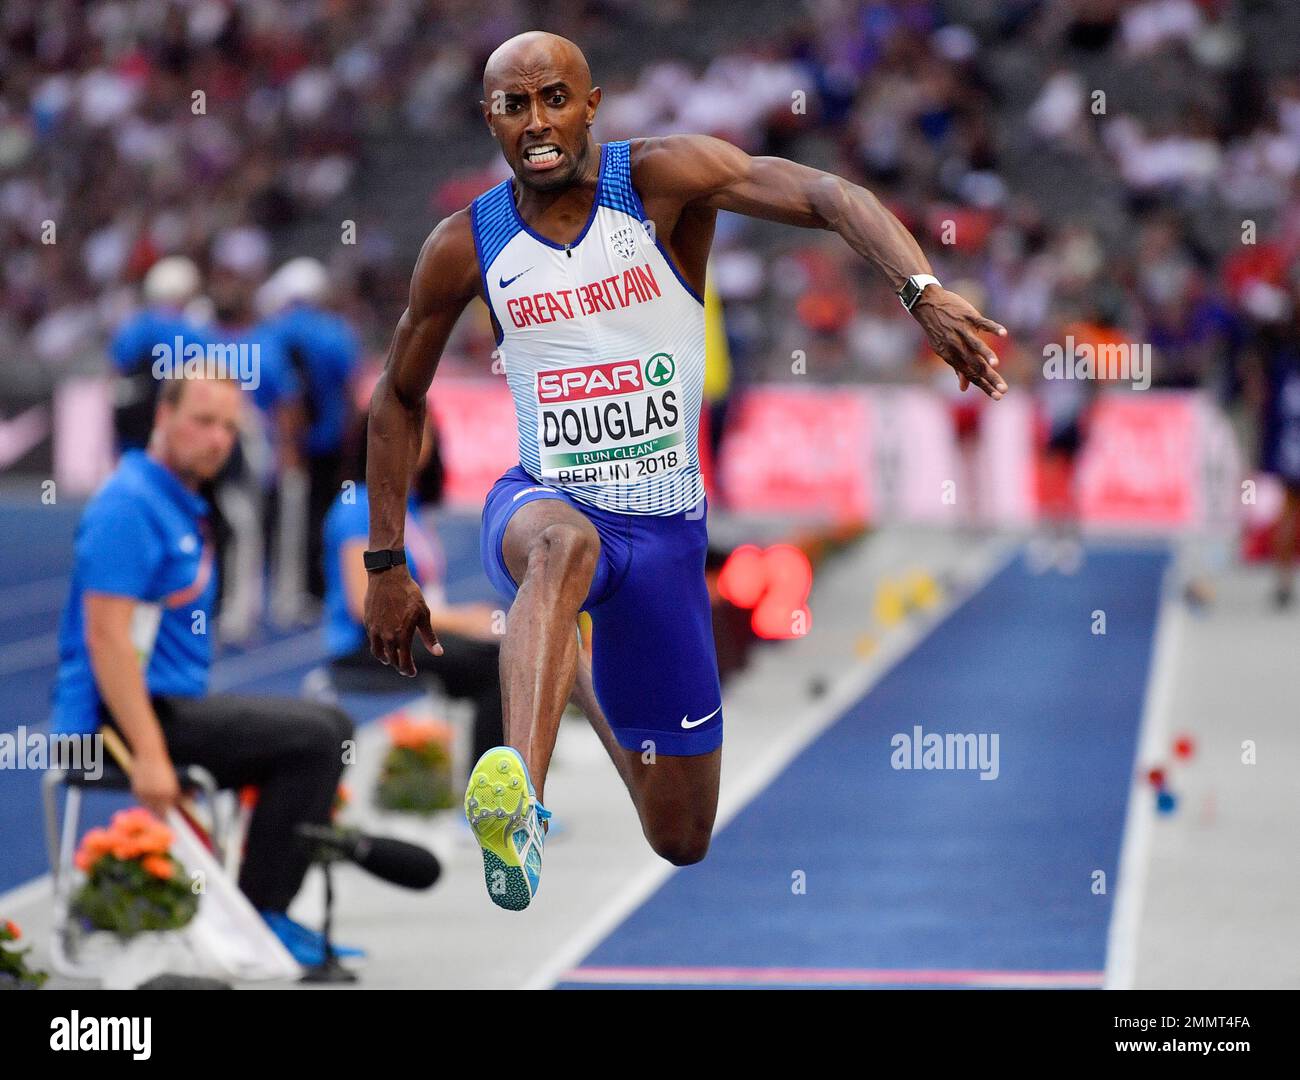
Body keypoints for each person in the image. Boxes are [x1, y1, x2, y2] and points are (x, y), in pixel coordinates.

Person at [363, 31, 1008, 911]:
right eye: (514, 106)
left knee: (679, 836)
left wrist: (920, 293)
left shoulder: (664, 180)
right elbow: (398, 397)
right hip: (544, 499)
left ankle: (570, 667)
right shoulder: (462, 244)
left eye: (555, 97)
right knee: (558, 547)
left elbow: (828, 193)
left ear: (592, 104)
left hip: (665, 535)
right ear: (491, 119)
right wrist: (386, 563)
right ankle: (521, 798)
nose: (537, 122)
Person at [50, 371, 360, 964]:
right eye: (203, 421)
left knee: (326, 729)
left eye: (229, 427)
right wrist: (148, 752)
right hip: (110, 725)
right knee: (313, 740)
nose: (218, 439)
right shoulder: (128, 505)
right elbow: (107, 639)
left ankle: (254, 914)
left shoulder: (176, 499)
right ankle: (259, 918)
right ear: (163, 419)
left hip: (162, 708)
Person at [324, 411, 504, 774]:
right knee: (496, 665)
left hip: (410, 632)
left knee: (505, 648)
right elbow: (365, 606)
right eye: (400, 435)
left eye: (421, 435)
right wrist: (463, 622)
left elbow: (427, 596)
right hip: (369, 643)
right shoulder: (359, 505)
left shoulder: (413, 507)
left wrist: (464, 618)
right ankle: (488, 797)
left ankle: (502, 780)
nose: (412, 445)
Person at [261, 258, 363, 606]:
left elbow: (271, 388)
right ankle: (324, 585)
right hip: (330, 440)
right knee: (329, 513)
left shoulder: (275, 330)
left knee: (283, 517)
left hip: (284, 442)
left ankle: (289, 588)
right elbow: (350, 388)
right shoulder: (337, 330)